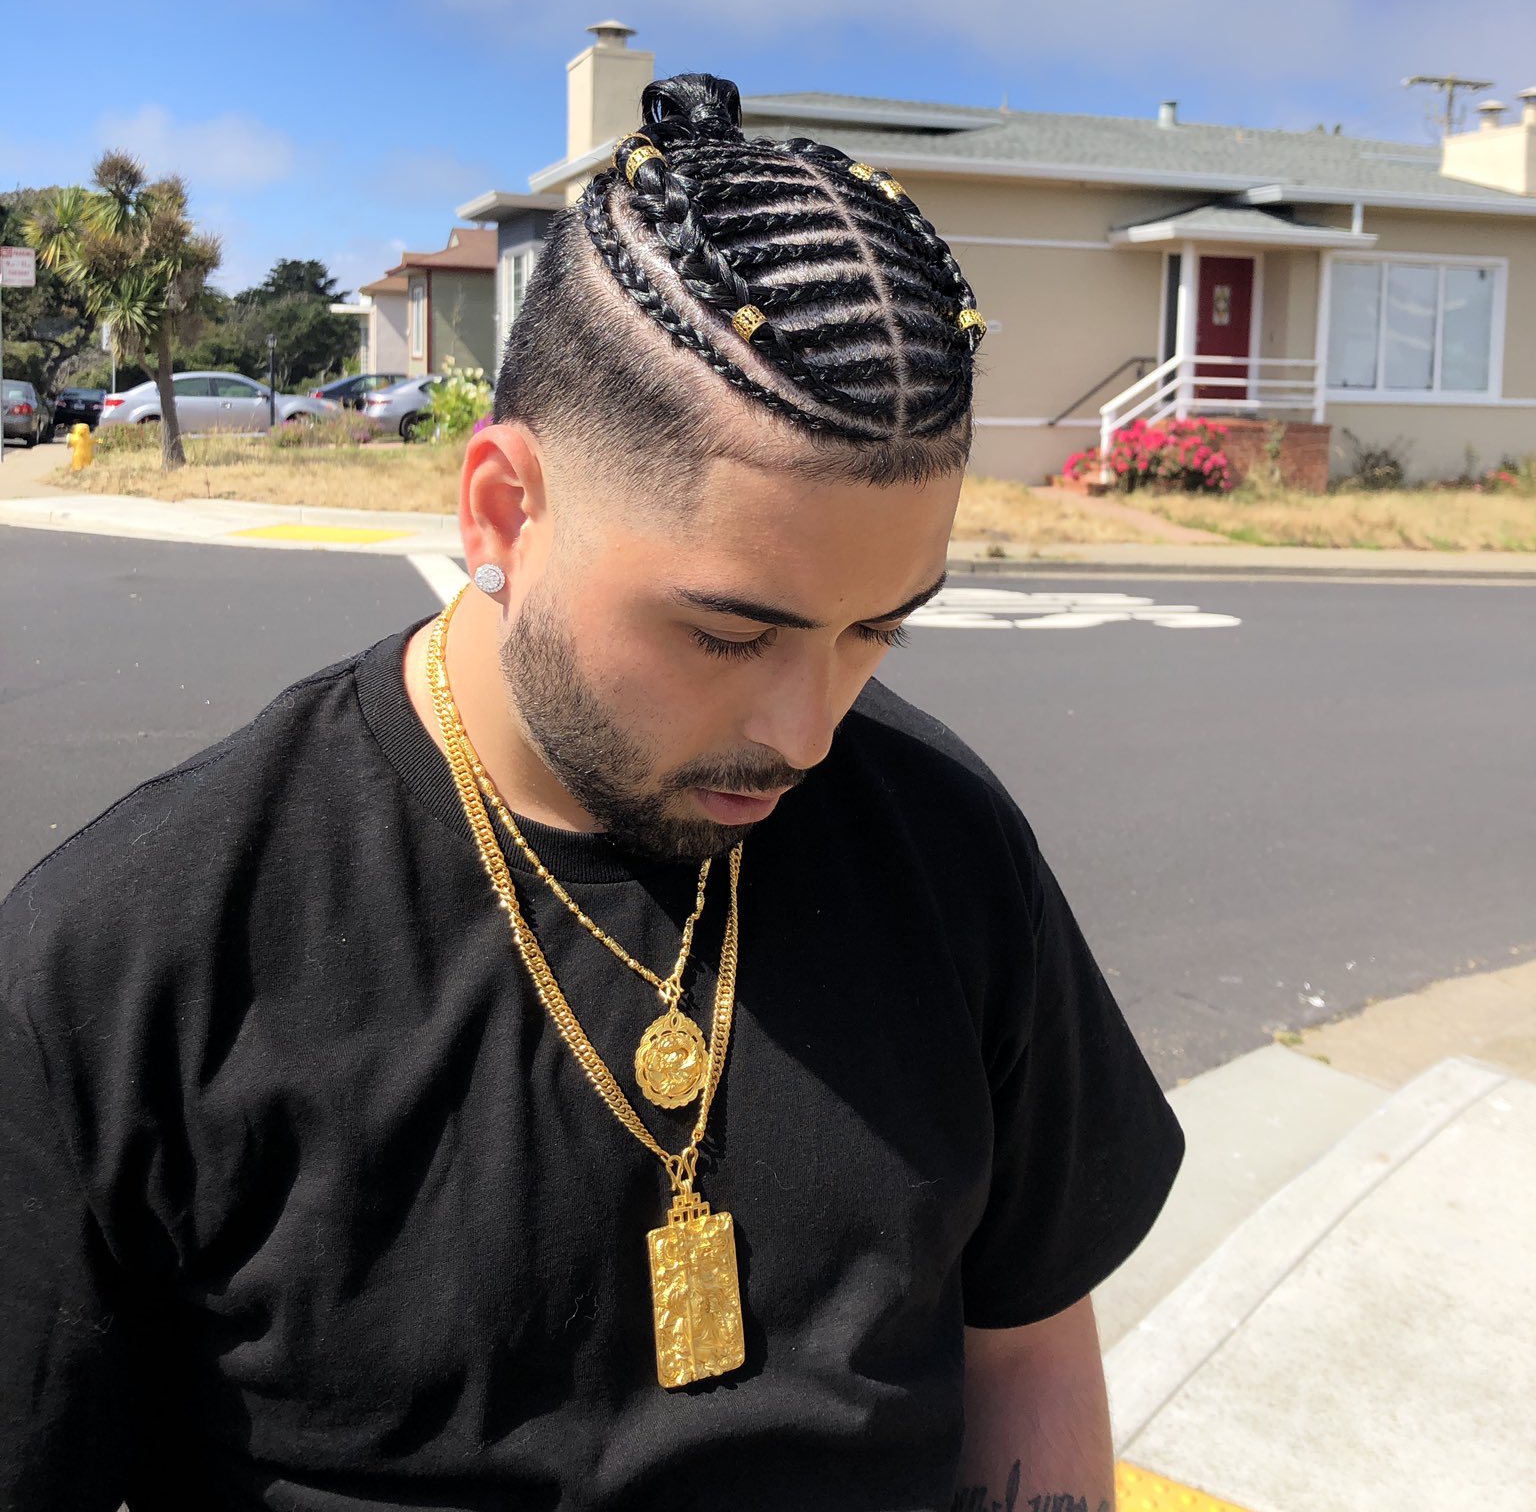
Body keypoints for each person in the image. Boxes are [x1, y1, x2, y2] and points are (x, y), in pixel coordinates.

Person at [0, 74, 1182, 1512]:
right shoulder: (135, 962)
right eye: (730, 633)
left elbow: (1032, 1345)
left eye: (879, 628)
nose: (809, 732)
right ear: (501, 511)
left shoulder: (945, 843)